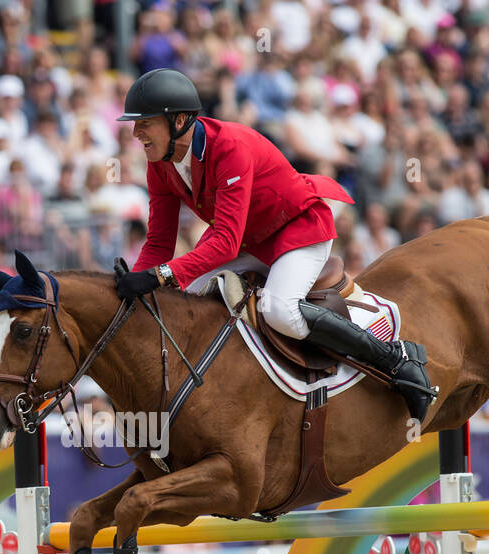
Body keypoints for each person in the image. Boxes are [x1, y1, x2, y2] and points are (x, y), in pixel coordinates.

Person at [115, 69, 435, 422]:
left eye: (144, 122)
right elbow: (159, 242)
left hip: (297, 229)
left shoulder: (229, 147)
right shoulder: (159, 165)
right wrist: (133, 283)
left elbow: (223, 243)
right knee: (180, 297)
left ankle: (395, 358)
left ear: (178, 121)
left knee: (279, 310)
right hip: (247, 238)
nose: (135, 133)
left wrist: (158, 275)